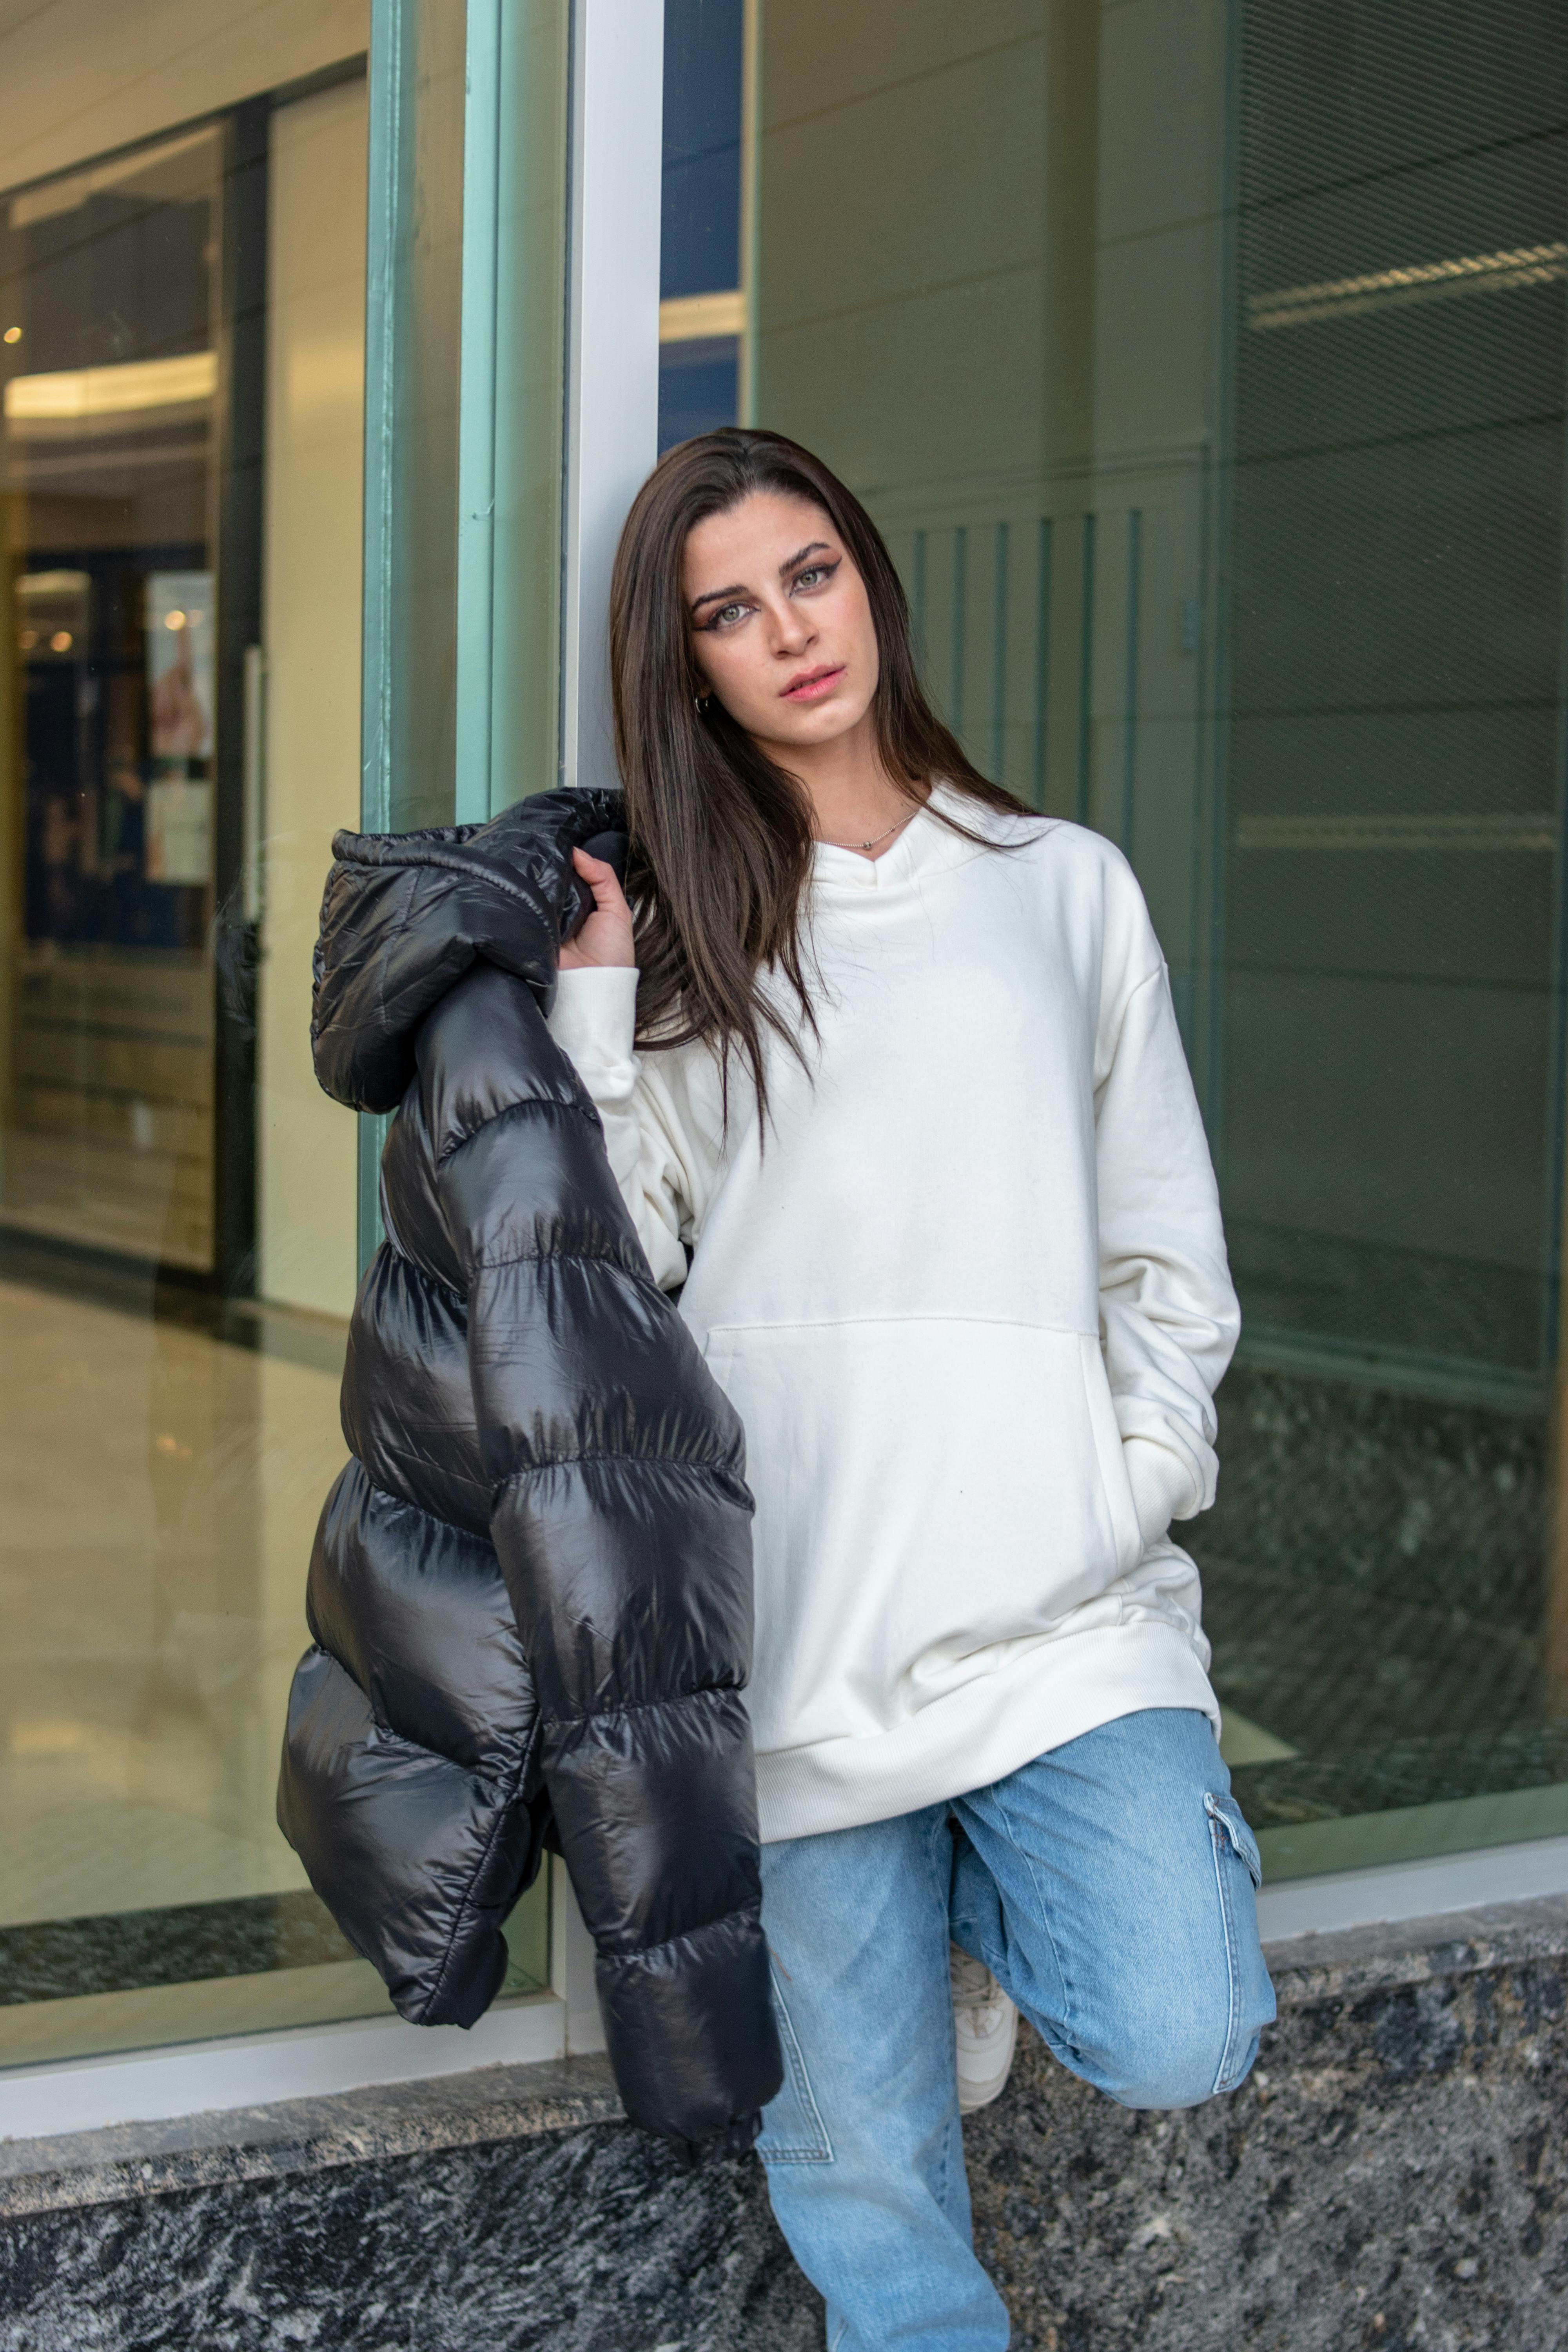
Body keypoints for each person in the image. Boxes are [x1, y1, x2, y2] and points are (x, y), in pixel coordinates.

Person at [557, 425, 1274, 2350]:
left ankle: (982, 1899)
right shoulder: (696, 930)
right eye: (727, 610)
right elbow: (616, 1272)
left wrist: (1126, 1478)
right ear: (682, 660)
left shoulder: (1061, 886)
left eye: (811, 574)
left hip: (1053, 1608)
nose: (789, 632)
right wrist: (595, 1005)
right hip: (793, 1639)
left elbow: (1165, 1252)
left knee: (1175, 2027)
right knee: (863, 2169)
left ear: (869, 578)